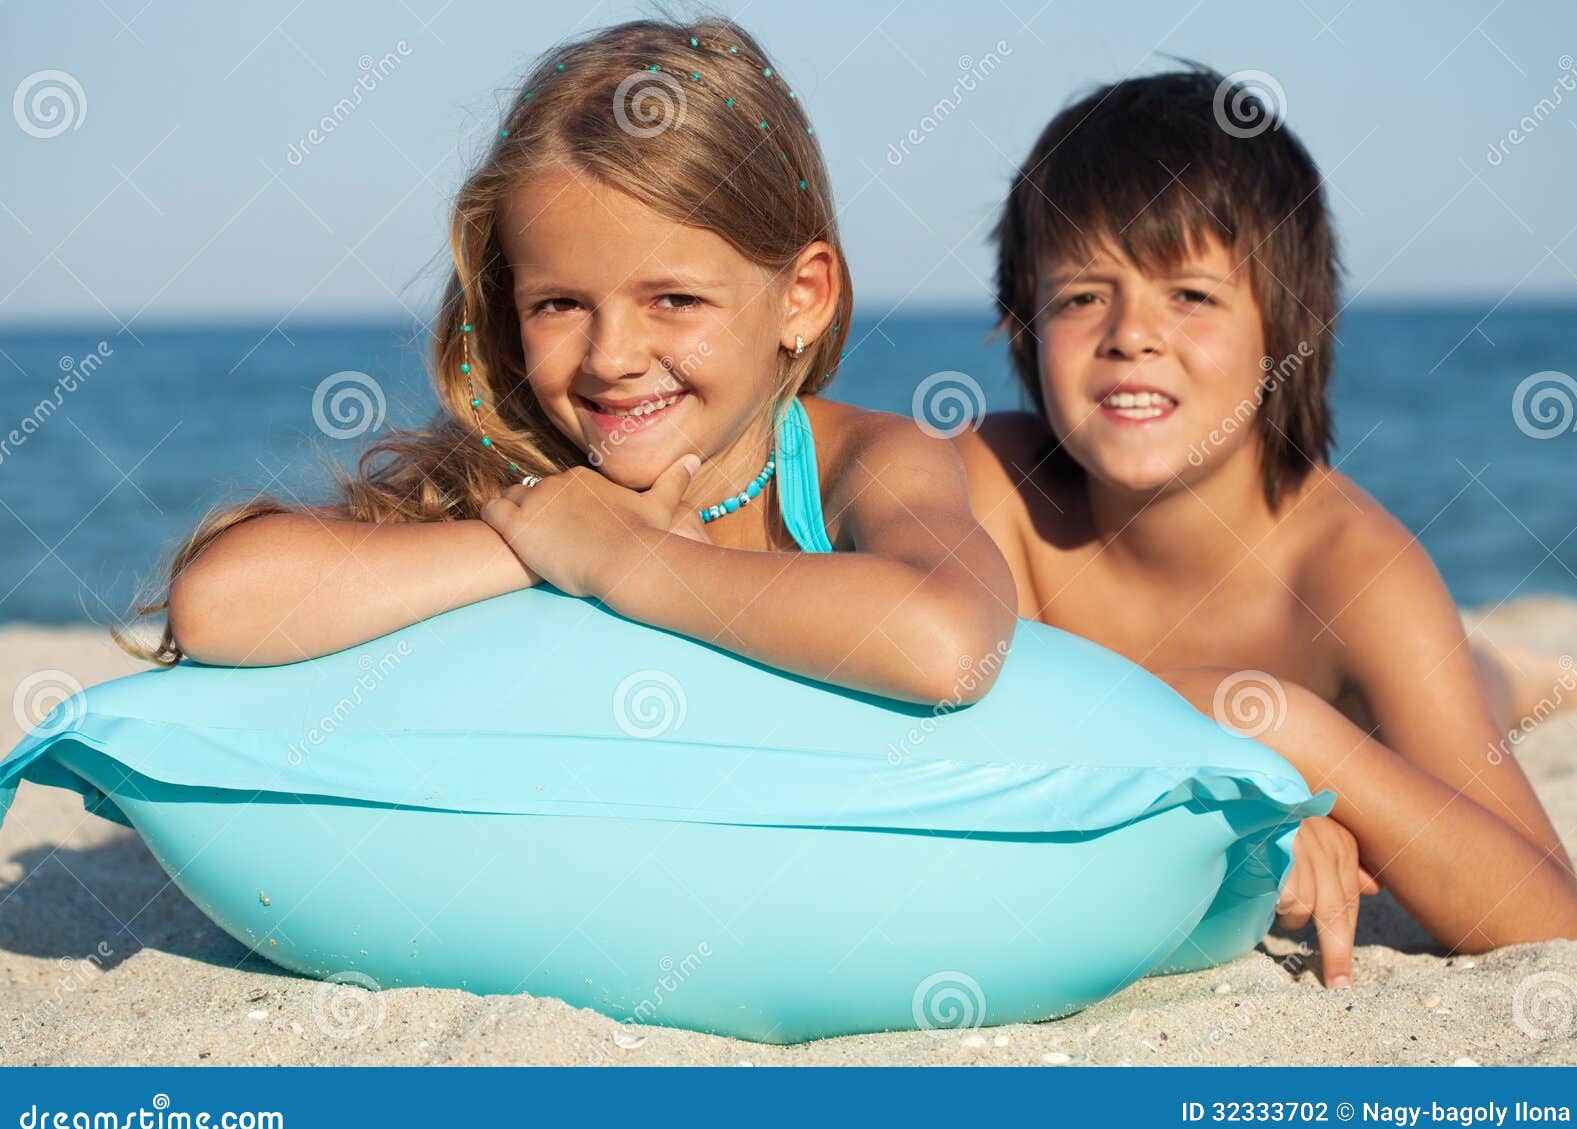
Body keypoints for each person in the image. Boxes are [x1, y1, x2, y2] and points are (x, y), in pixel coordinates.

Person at [120, 17, 1018, 710]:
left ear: (802, 298)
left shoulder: (860, 463)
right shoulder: (519, 476)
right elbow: (219, 604)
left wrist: (627, 560)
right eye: (559, 305)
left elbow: (947, 643)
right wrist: (532, 547)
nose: (611, 358)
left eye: (675, 300)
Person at [960, 66, 1577, 987]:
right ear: (1027, 325)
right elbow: (967, 742)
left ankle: (1537, 673)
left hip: (1375, 699)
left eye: (1191, 295)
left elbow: (1545, 916)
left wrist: (1292, 729)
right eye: (1082, 296)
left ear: (1283, 330)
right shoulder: (996, 491)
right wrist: (1252, 770)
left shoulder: (1355, 569)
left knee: (1481, 683)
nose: (1130, 333)